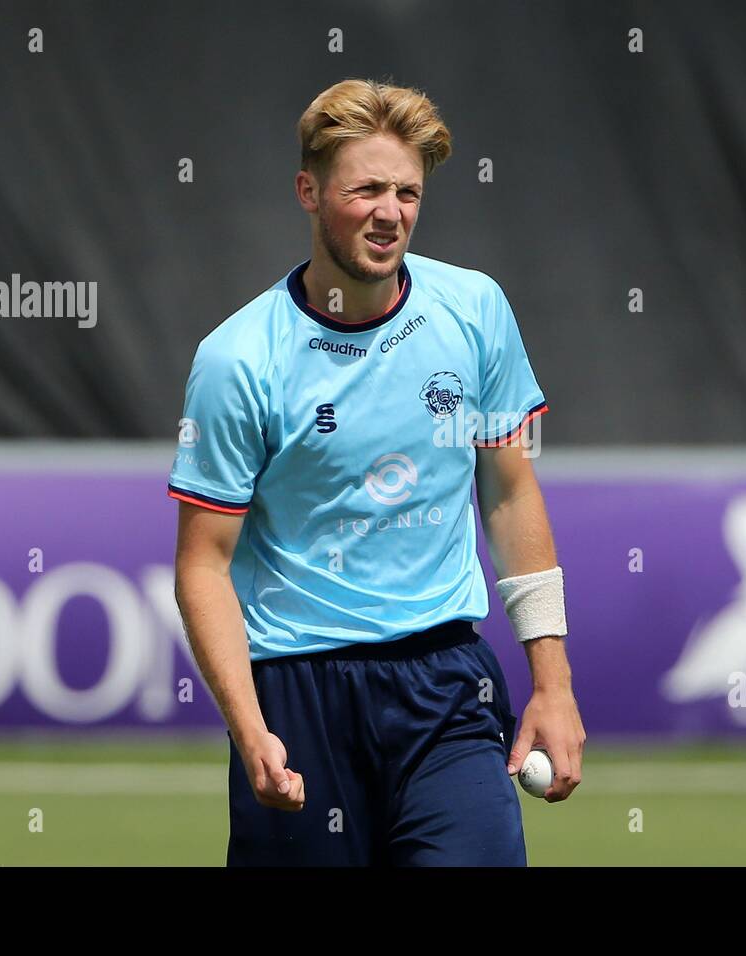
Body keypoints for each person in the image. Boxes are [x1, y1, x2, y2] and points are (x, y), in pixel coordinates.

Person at [169, 78, 584, 866]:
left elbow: (509, 493)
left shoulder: (474, 310)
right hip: (299, 697)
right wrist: (251, 729)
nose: (390, 212)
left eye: (407, 192)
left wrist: (553, 684)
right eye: (365, 190)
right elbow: (203, 564)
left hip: (447, 687)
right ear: (309, 192)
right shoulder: (237, 361)